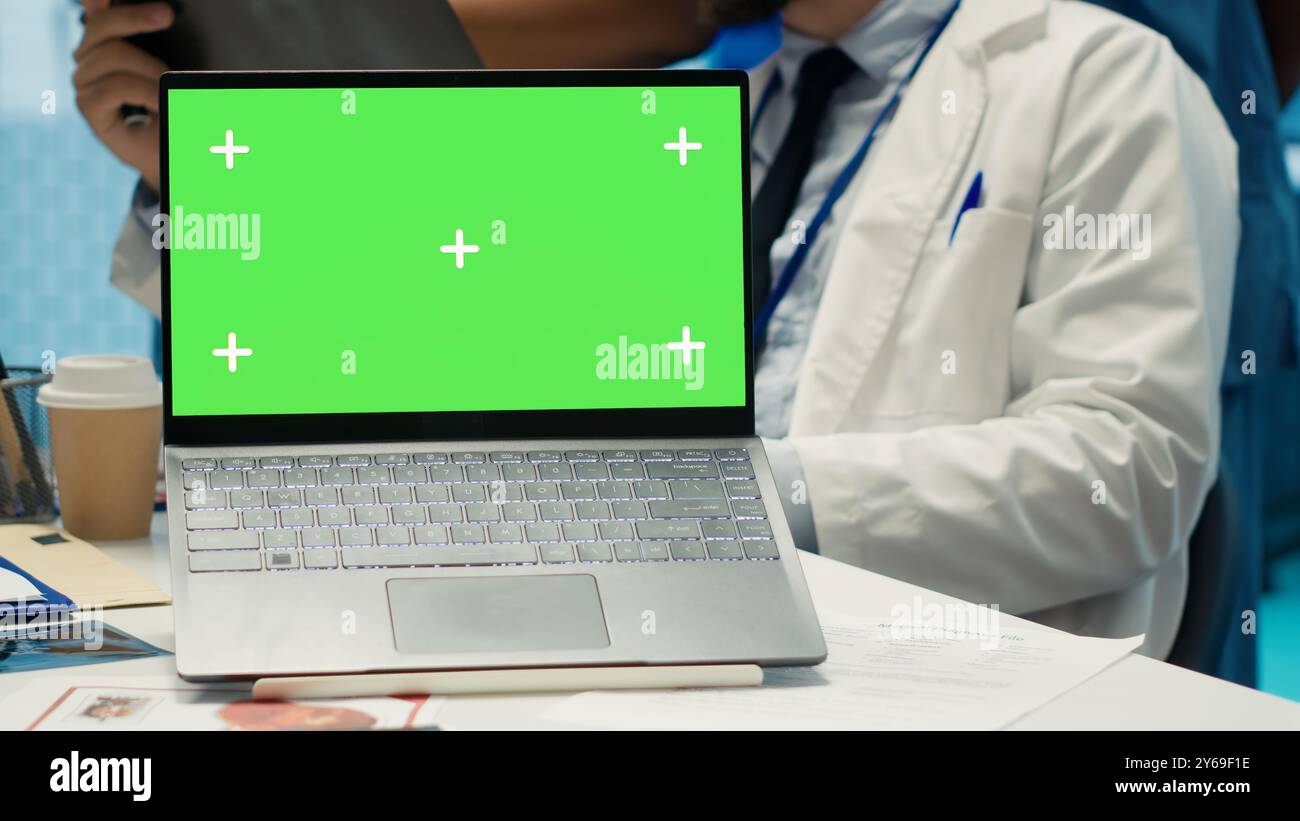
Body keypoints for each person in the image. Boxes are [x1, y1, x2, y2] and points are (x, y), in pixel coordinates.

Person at [79, 0, 1239, 659]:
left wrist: (733, 496)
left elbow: (1126, 467)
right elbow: (440, 352)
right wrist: (181, 175)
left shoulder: (1100, 72)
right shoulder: (711, 113)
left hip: (951, 672)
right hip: (683, 645)